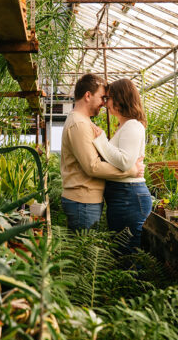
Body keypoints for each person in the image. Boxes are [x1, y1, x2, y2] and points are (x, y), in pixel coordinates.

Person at [60, 74, 144, 231]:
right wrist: (131, 171)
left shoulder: (84, 122)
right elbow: (93, 167)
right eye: (102, 97)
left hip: (85, 200)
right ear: (88, 95)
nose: (104, 104)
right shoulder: (79, 124)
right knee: (85, 252)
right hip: (83, 200)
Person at [90, 78, 151, 255]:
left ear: (120, 99)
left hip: (128, 197)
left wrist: (101, 139)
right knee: (121, 249)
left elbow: (124, 161)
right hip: (124, 196)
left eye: (108, 98)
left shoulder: (132, 126)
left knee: (127, 252)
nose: (105, 103)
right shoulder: (125, 126)